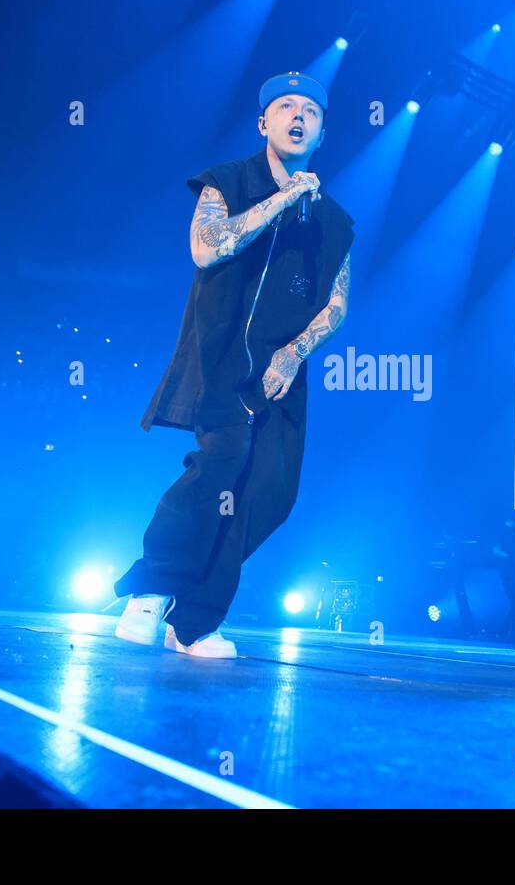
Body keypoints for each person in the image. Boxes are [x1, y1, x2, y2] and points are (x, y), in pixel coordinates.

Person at [113, 71, 355, 659]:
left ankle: (191, 619)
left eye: (311, 111)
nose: (299, 117)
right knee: (223, 460)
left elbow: (338, 304)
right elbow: (204, 247)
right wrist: (280, 199)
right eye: (286, 107)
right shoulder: (227, 182)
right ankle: (150, 586)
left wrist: (296, 353)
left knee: (272, 493)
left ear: (321, 131)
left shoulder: (335, 221)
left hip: (280, 370)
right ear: (264, 123)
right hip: (220, 360)